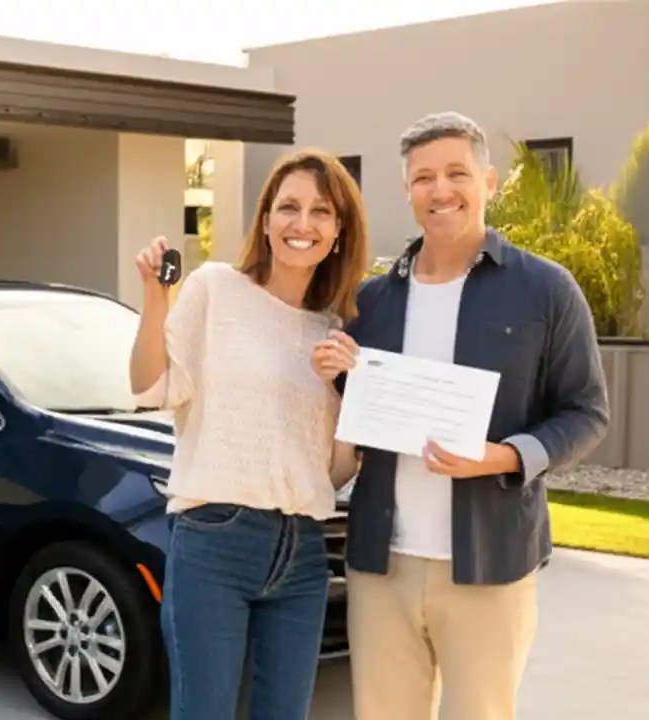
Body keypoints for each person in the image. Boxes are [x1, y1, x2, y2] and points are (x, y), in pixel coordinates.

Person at [311, 111, 610, 720]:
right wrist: (337, 371)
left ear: (489, 180)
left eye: (456, 173)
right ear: (407, 191)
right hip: (380, 567)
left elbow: (586, 412)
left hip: (490, 568)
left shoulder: (546, 290)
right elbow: (358, 419)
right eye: (424, 177)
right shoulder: (372, 301)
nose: (440, 190)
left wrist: (503, 457)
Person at [130, 149, 369, 719]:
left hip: (304, 551)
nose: (302, 224)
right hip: (215, 540)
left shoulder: (334, 331)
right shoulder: (216, 288)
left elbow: (335, 470)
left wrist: (346, 390)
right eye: (288, 207)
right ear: (265, 221)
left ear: (338, 232)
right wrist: (154, 296)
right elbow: (150, 386)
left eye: (320, 212)